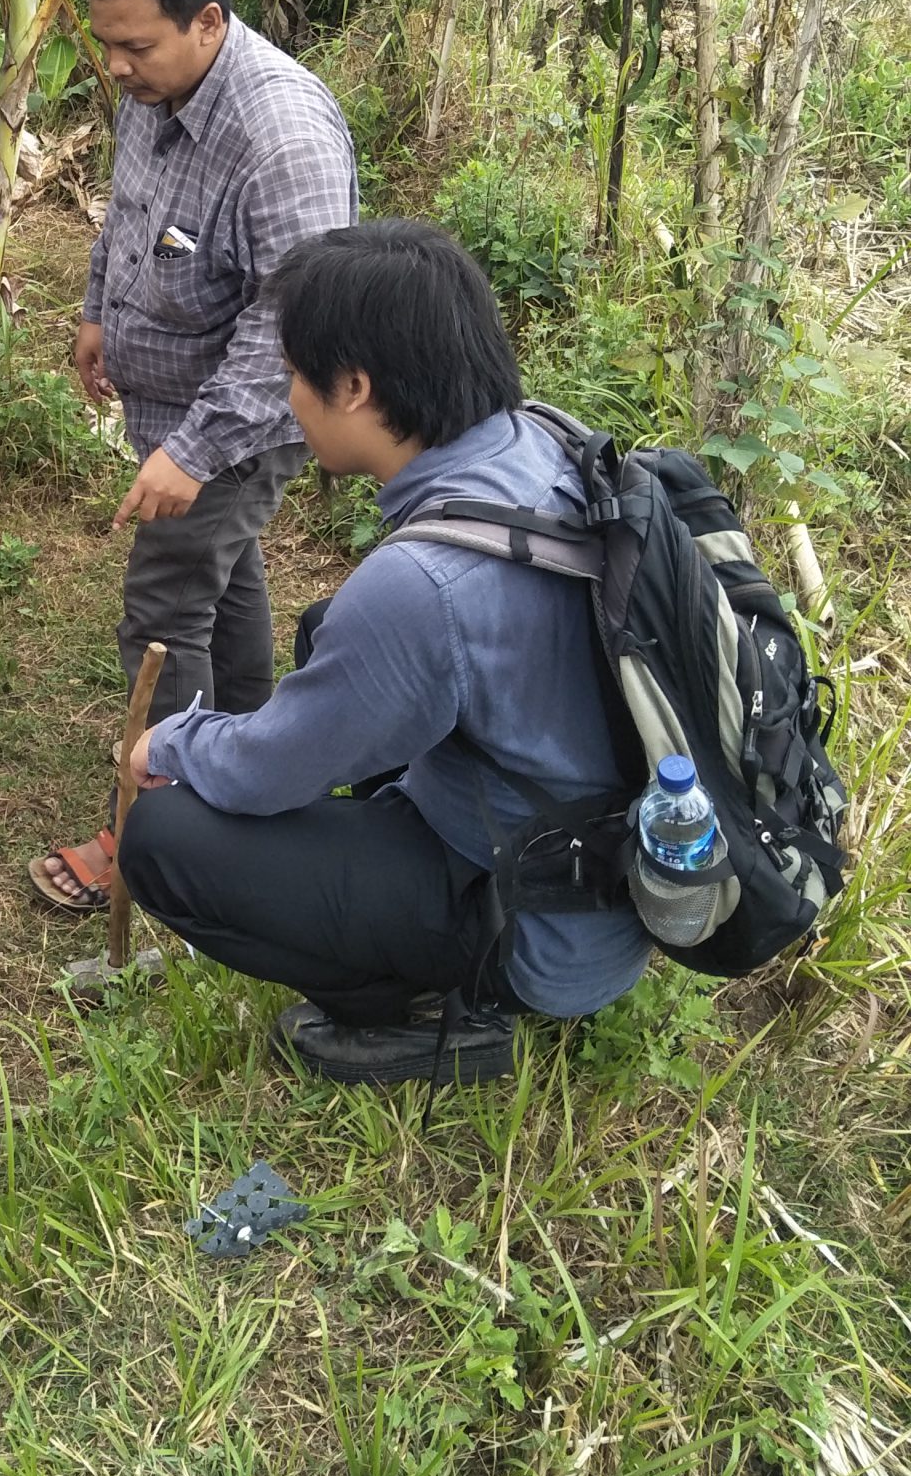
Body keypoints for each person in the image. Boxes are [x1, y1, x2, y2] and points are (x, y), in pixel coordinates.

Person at [119, 220, 656, 1085]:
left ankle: (425, 1012)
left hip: (530, 929)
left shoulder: (424, 584)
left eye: (297, 375)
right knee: (328, 629)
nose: (290, 394)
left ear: (357, 387)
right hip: (595, 874)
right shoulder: (540, 443)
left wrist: (169, 742)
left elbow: (264, 771)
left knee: (167, 837)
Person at [32, 0, 359, 914]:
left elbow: (293, 324)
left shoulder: (280, 133)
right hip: (177, 405)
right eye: (108, 43)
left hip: (239, 421)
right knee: (226, 578)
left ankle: (161, 835)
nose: (117, 68)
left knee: (166, 605)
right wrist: (98, 313)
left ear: (208, 22)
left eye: (135, 46)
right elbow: (132, 212)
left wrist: (194, 451)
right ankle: (254, 767)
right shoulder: (156, 84)